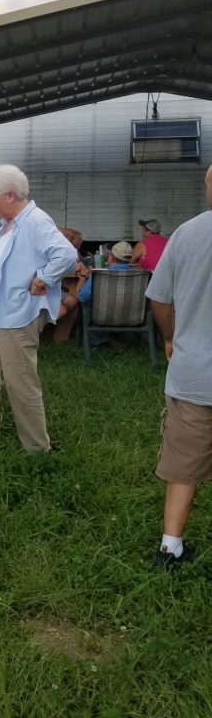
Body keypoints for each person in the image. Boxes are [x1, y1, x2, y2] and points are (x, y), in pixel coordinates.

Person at [0, 164, 77, 452]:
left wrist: (43, 278)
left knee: (20, 383)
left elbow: (66, 255)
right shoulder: (7, 225)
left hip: (18, 317)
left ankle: (36, 448)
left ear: (9, 195)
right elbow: (0, 271)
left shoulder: (35, 221)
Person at [146, 166, 212, 569]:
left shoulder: (185, 234)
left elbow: (159, 297)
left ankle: (170, 549)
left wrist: (170, 337)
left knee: (183, 465)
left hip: (193, 373)